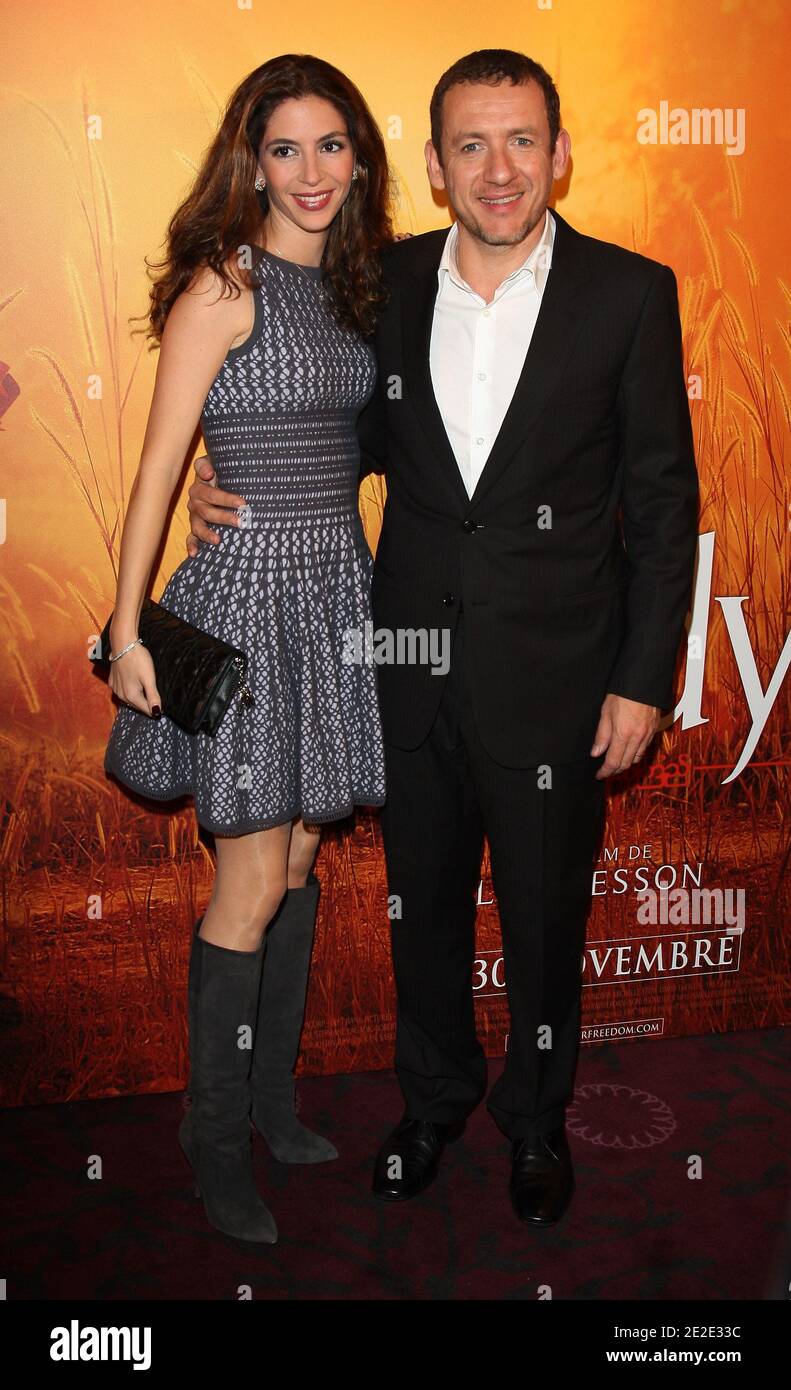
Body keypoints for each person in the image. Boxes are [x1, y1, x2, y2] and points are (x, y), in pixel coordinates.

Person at [185, 49, 700, 1228]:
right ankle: (430, 1107)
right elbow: (328, 437)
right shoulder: (387, 286)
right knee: (418, 905)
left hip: (560, 679)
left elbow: (663, 507)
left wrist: (638, 681)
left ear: (559, 153)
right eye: (469, 144)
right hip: (399, 665)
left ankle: (536, 1120)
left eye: (520, 140)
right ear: (430, 167)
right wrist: (214, 484)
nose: (498, 168)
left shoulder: (628, 293)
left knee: (540, 915)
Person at [102, 54, 395, 1243]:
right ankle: (214, 1136)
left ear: (360, 161)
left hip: (334, 594)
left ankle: (272, 1103)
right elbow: (159, 468)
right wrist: (126, 630)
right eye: (285, 148)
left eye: (331, 146)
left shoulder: (366, 291)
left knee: (305, 858)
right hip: (243, 596)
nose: (310, 171)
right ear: (250, 160)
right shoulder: (223, 288)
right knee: (251, 879)